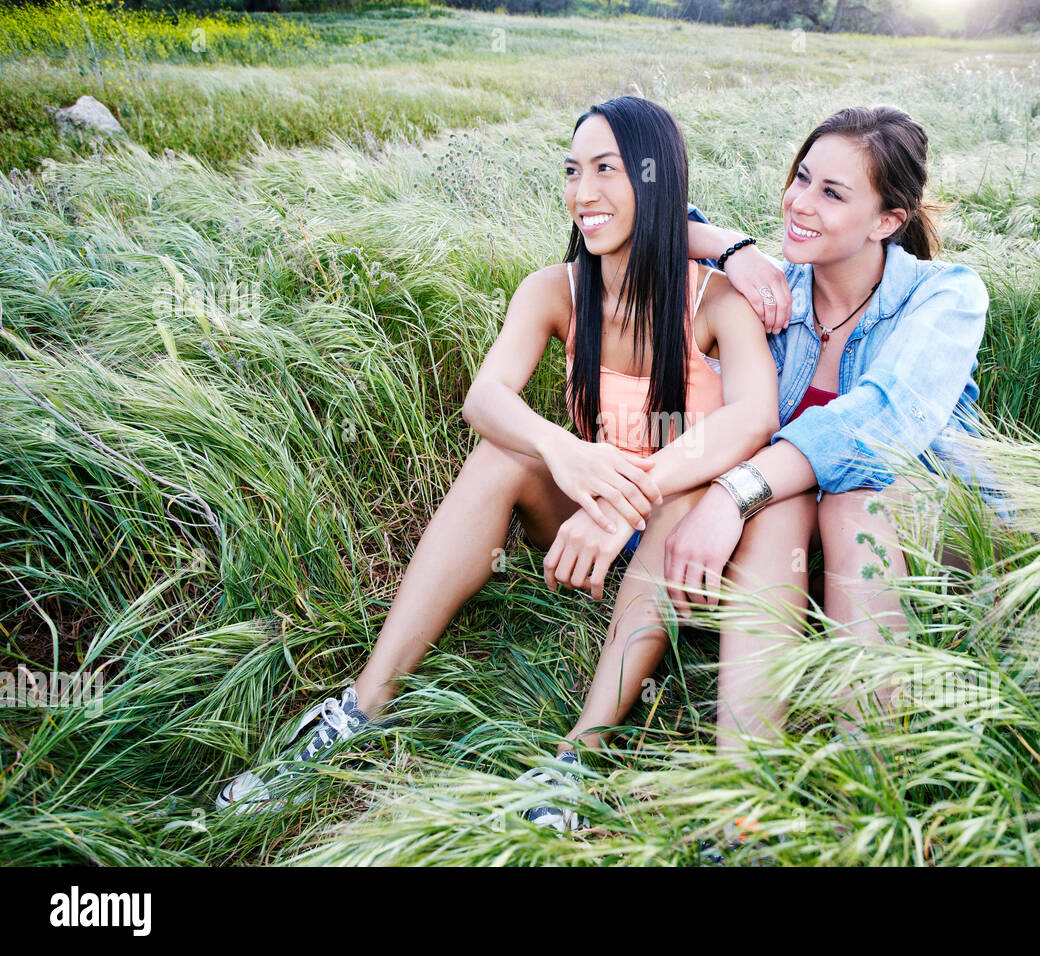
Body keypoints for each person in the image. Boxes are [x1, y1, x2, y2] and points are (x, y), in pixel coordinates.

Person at [213, 96, 777, 815]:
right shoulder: (556, 290)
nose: (583, 193)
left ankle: (577, 759)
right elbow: (484, 398)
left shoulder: (715, 300)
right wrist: (564, 452)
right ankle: (363, 704)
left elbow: (754, 419)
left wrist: (628, 494)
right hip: (585, 523)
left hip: (686, 542)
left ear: (655, 179)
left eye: (607, 169)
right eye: (573, 171)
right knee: (497, 455)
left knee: (684, 496)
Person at [667, 105, 1010, 759]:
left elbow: (879, 422)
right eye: (801, 178)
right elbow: (650, 222)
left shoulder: (946, 296)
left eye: (832, 192)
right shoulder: (773, 292)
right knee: (786, 496)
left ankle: (869, 772)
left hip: (934, 527)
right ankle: (742, 786)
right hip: (803, 549)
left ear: (888, 220)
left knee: (850, 498)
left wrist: (731, 492)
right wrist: (734, 250)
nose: (800, 203)